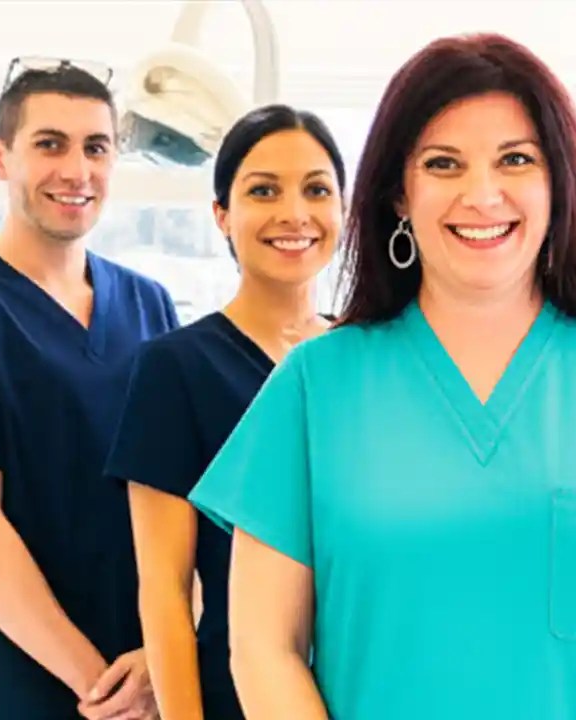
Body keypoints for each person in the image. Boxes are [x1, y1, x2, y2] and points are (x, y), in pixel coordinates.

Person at [187, 33, 576, 720]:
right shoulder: (314, 386)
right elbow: (261, 646)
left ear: (560, 183)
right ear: (398, 194)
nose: (482, 194)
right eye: (443, 164)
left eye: (516, 160)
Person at [0, 59, 177, 720]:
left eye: (96, 148)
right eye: (50, 144)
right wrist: (104, 689)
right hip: (24, 685)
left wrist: (166, 654)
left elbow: (179, 502)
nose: (76, 171)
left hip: (150, 677)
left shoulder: (148, 305)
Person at [103, 103, 346, 720]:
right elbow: (164, 589)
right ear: (222, 215)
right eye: (263, 191)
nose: (294, 213)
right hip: (236, 693)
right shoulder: (176, 368)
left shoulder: (367, 360)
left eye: (316, 190)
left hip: (367, 684)